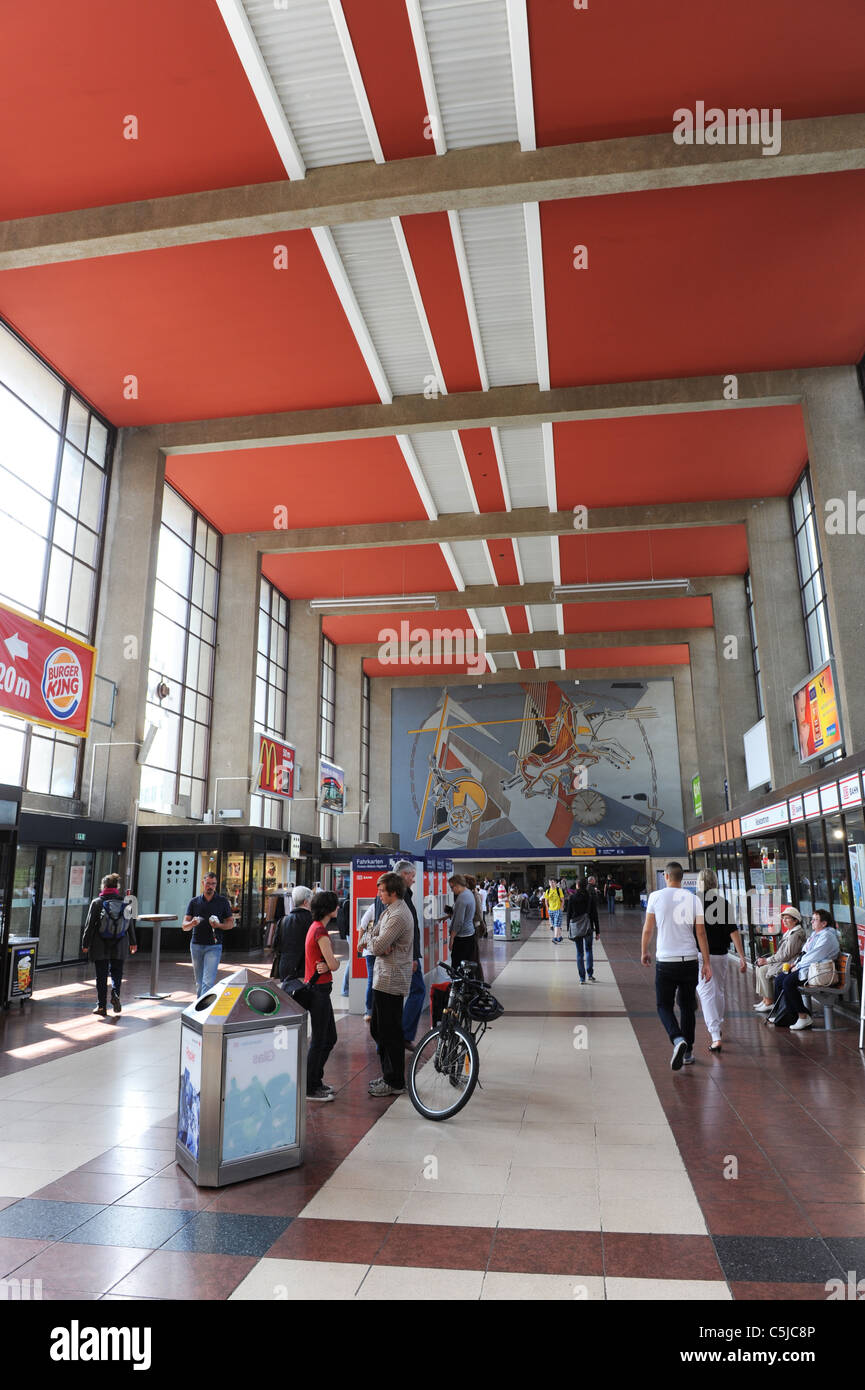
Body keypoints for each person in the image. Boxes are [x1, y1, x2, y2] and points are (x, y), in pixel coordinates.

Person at [641, 861, 710, 1070]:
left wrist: (644, 951)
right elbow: (700, 933)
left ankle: (677, 1038)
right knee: (688, 1006)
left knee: (664, 1005)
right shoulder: (693, 899)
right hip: (689, 960)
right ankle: (688, 1051)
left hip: (666, 961)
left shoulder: (655, 897)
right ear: (681, 878)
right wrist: (706, 962)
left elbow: (648, 929)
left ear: (666, 876)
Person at [359, 872, 414, 1097]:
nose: (378, 894)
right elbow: (369, 937)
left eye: (382, 890)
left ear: (393, 892)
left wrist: (375, 942)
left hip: (392, 979)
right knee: (378, 1028)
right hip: (383, 978)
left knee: (389, 1031)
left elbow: (378, 944)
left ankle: (395, 1081)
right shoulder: (388, 911)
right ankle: (389, 1074)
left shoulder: (399, 914)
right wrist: (374, 942)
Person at [695, 868, 747, 1053]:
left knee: (706, 992)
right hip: (722, 955)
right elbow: (733, 932)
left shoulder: (694, 903)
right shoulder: (724, 903)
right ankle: (718, 1023)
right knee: (718, 990)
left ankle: (715, 1035)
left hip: (701, 956)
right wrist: (741, 956)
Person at [769, 909, 840, 1031]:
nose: (811, 922)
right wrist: (795, 964)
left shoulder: (827, 936)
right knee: (781, 979)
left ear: (824, 923)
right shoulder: (815, 935)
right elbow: (805, 952)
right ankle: (785, 1013)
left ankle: (803, 1015)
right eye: (812, 919)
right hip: (810, 968)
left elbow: (815, 955)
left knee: (788, 982)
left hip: (820, 971)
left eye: (815, 919)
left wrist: (798, 965)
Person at [81, 873, 138, 1017]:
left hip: (100, 943)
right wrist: (133, 943)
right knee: (117, 972)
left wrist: (85, 943)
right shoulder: (126, 903)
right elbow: (130, 924)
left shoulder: (97, 902)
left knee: (101, 975)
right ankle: (115, 993)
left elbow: (90, 926)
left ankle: (101, 1006)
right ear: (117, 887)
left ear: (104, 886)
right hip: (120, 943)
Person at [304, 890, 341, 1101]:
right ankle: (310, 1086)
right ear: (329, 909)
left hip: (319, 989)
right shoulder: (321, 933)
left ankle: (315, 1080)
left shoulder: (315, 927)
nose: (338, 908)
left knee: (328, 1038)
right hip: (319, 991)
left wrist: (326, 964)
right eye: (335, 905)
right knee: (320, 1039)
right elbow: (334, 965)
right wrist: (329, 964)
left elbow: (327, 964)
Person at [182, 872, 234, 997]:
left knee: (208, 982)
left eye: (213, 884)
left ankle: (202, 1009)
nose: (210, 886)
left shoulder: (222, 901)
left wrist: (219, 925)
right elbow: (184, 925)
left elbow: (230, 924)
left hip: (214, 946)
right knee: (199, 982)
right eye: (208, 883)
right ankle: (200, 1008)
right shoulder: (194, 902)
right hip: (196, 945)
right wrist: (192, 923)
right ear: (203, 883)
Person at [394, 860, 426, 1052]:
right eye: (412, 876)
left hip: (405, 954)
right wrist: (412, 956)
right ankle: (403, 1035)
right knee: (418, 990)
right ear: (404, 875)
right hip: (405, 955)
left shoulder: (402, 895)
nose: (413, 880)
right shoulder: (399, 896)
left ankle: (402, 1034)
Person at [753, 906, 806, 1012]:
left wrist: (767, 960)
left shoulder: (796, 934)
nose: (784, 921)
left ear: (795, 920)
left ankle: (769, 1001)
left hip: (788, 963)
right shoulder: (790, 932)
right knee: (759, 968)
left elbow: (785, 955)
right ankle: (765, 999)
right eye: (783, 918)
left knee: (763, 969)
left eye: (787, 918)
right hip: (784, 961)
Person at [274, 885, 313, 982]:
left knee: (287, 996)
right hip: (304, 968)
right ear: (306, 902)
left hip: (285, 968)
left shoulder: (283, 920)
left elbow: (276, 945)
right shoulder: (312, 921)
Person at [566, 881, 595, 983]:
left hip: (576, 928)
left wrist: (568, 928)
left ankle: (582, 978)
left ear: (577, 886)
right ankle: (590, 974)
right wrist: (598, 930)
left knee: (579, 953)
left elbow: (569, 914)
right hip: (588, 927)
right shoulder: (589, 897)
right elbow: (594, 915)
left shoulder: (572, 898)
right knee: (589, 950)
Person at [447, 873, 477, 969]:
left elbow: (459, 922)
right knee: (466, 966)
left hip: (462, 938)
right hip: (470, 934)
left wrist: (452, 938)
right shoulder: (469, 893)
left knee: (457, 965)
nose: (451, 890)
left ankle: (458, 984)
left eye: (452, 887)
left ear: (458, 885)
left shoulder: (462, 898)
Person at [545, 878, 565, 943]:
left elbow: (562, 900)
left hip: (558, 909)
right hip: (551, 910)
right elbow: (546, 900)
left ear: (556, 883)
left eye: (553, 882)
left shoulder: (559, 890)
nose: (552, 883)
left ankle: (555, 937)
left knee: (556, 923)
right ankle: (559, 936)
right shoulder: (547, 891)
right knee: (554, 924)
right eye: (550, 882)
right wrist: (547, 908)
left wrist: (561, 907)